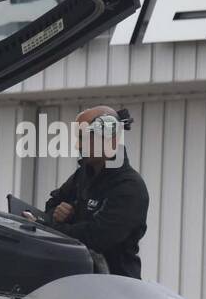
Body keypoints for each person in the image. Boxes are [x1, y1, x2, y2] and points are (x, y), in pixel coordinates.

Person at [32, 105, 149, 278]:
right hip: (80, 283)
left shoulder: (130, 187)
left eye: (84, 137)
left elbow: (95, 238)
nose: (78, 145)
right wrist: (58, 217)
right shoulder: (84, 174)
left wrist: (49, 225)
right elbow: (52, 205)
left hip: (115, 290)